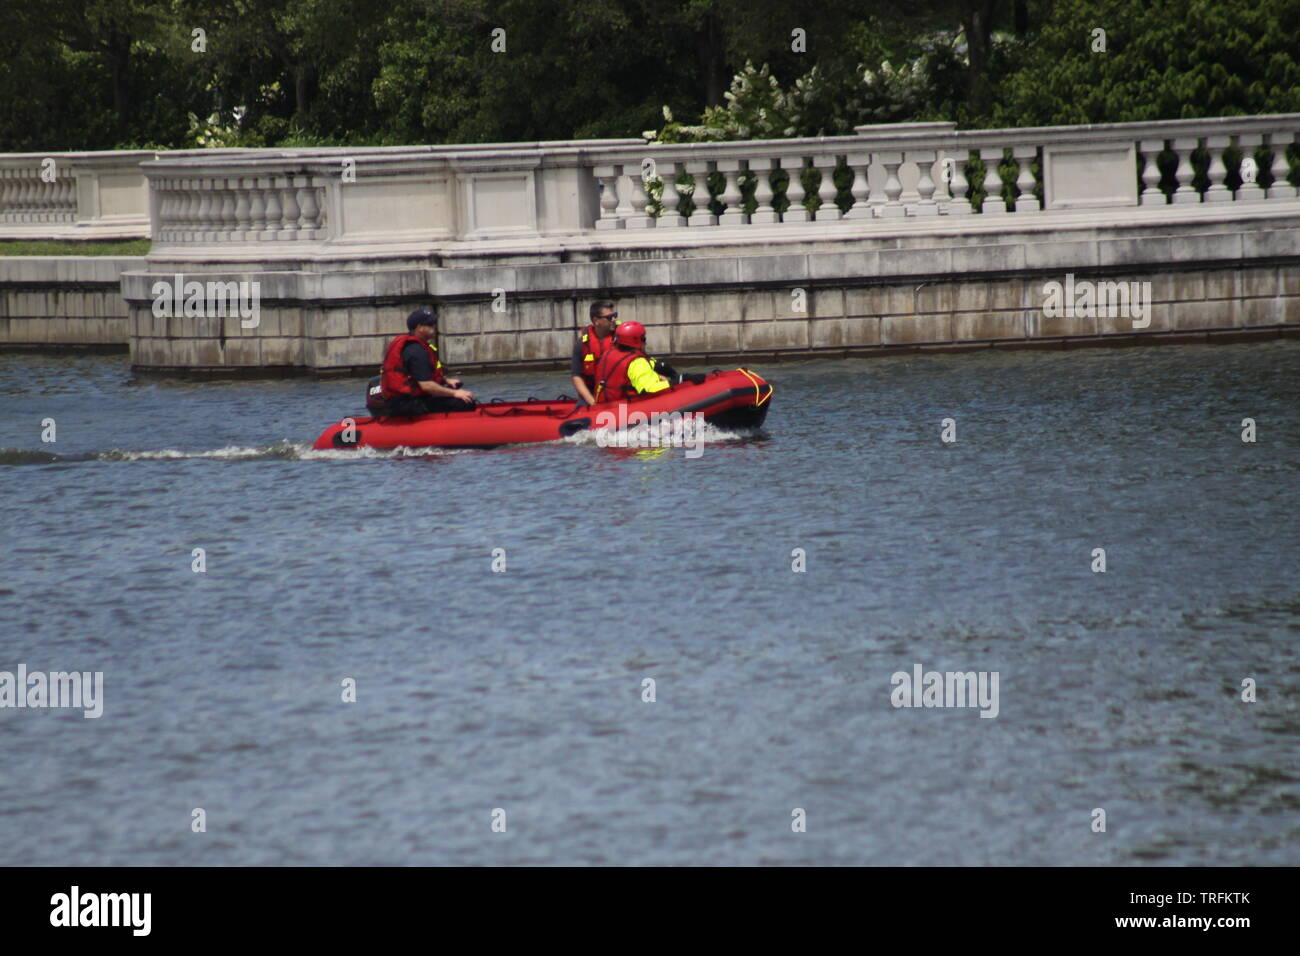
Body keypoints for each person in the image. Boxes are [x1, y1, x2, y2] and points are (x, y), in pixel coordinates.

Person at [368, 308, 475, 416]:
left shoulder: (414, 346)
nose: (434, 326)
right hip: (405, 403)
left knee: (453, 394)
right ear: (420, 328)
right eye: (430, 324)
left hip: (405, 400)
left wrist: (445, 381)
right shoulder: (416, 351)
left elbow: (419, 377)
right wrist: (455, 393)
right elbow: (427, 386)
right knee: (463, 402)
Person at [591, 321, 671, 403]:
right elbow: (651, 389)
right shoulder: (637, 363)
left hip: (605, 406)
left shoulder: (607, 354)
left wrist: (656, 366)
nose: (645, 343)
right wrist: (673, 382)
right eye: (643, 339)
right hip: (627, 409)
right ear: (636, 341)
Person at [570, 301, 619, 405]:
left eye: (615, 315)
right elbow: (576, 376)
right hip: (591, 392)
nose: (614, 320)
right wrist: (593, 403)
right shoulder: (582, 344)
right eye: (610, 317)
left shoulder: (621, 340)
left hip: (617, 390)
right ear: (596, 321)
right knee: (582, 408)